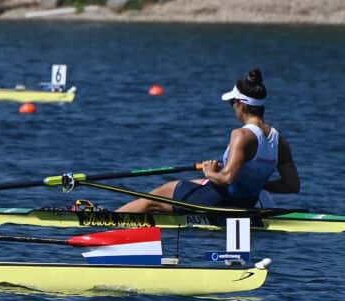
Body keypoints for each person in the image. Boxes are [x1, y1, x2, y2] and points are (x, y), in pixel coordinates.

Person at [117, 68, 300, 214]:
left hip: (220, 201)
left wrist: (209, 171)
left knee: (155, 197)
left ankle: (107, 219)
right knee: (184, 185)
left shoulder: (241, 135)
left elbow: (227, 178)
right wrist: (255, 183)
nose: (233, 109)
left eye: (232, 104)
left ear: (241, 105)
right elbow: (291, 186)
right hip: (247, 200)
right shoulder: (279, 141)